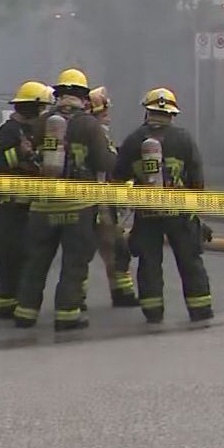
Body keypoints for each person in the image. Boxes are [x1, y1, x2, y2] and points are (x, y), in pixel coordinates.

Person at [10, 69, 103, 331]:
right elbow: (105, 162)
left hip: (42, 206)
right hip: (78, 206)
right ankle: (67, 314)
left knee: (36, 261)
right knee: (74, 262)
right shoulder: (89, 124)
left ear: (59, 94)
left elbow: (26, 153)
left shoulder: (42, 122)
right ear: (83, 96)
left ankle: (25, 313)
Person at [114, 87, 213, 324]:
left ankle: (153, 311)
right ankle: (200, 310)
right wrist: (196, 214)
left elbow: (117, 177)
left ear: (147, 111)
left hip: (147, 212)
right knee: (189, 260)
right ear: (171, 113)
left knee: (149, 262)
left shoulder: (133, 140)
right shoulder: (184, 138)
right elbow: (197, 180)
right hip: (179, 212)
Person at [0, 80, 51, 320]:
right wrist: (20, 155)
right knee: (16, 257)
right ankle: (10, 306)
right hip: (14, 208)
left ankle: (8, 305)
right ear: (35, 107)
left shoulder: (29, 130)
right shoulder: (11, 131)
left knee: (16, 258)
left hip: (23, 207)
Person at [83, 85, 139, 307]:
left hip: (96, 199)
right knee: (111, 247)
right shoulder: (95, 134)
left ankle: (119, 292)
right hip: (97, 202)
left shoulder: (86, 133)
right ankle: (119, 294)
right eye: (104, 112)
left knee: (111, 248)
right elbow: (107, 164)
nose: (108, 116)